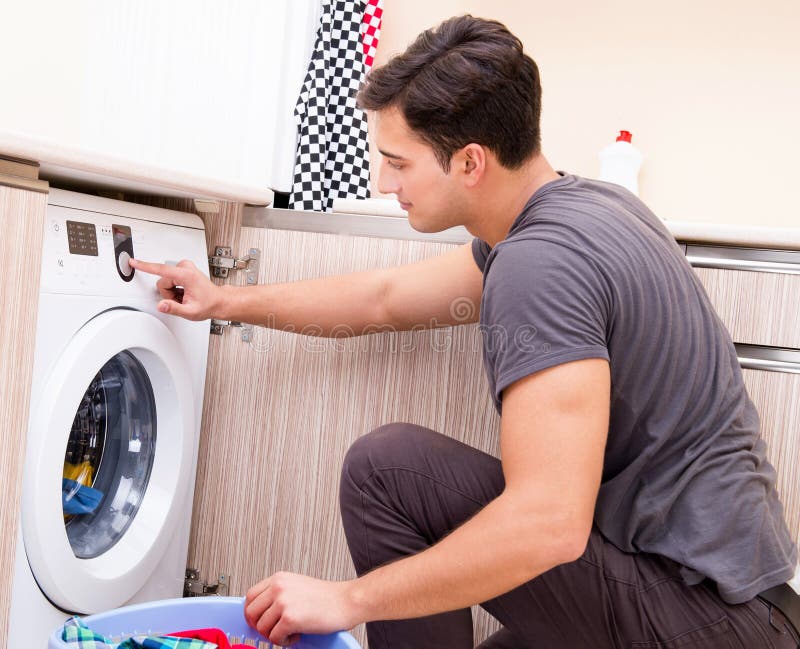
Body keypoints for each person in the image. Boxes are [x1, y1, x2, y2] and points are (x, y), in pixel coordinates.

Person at [130, 15, 800, 649]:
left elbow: (549, 524)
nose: (384, 181)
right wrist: (225, 299)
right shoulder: (587, 209)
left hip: (705, 617)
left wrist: (348, 599)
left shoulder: (540, 263)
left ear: (471, 163)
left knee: (386, 469)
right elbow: (384, 300)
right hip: (736, 601)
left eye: (399, 162)